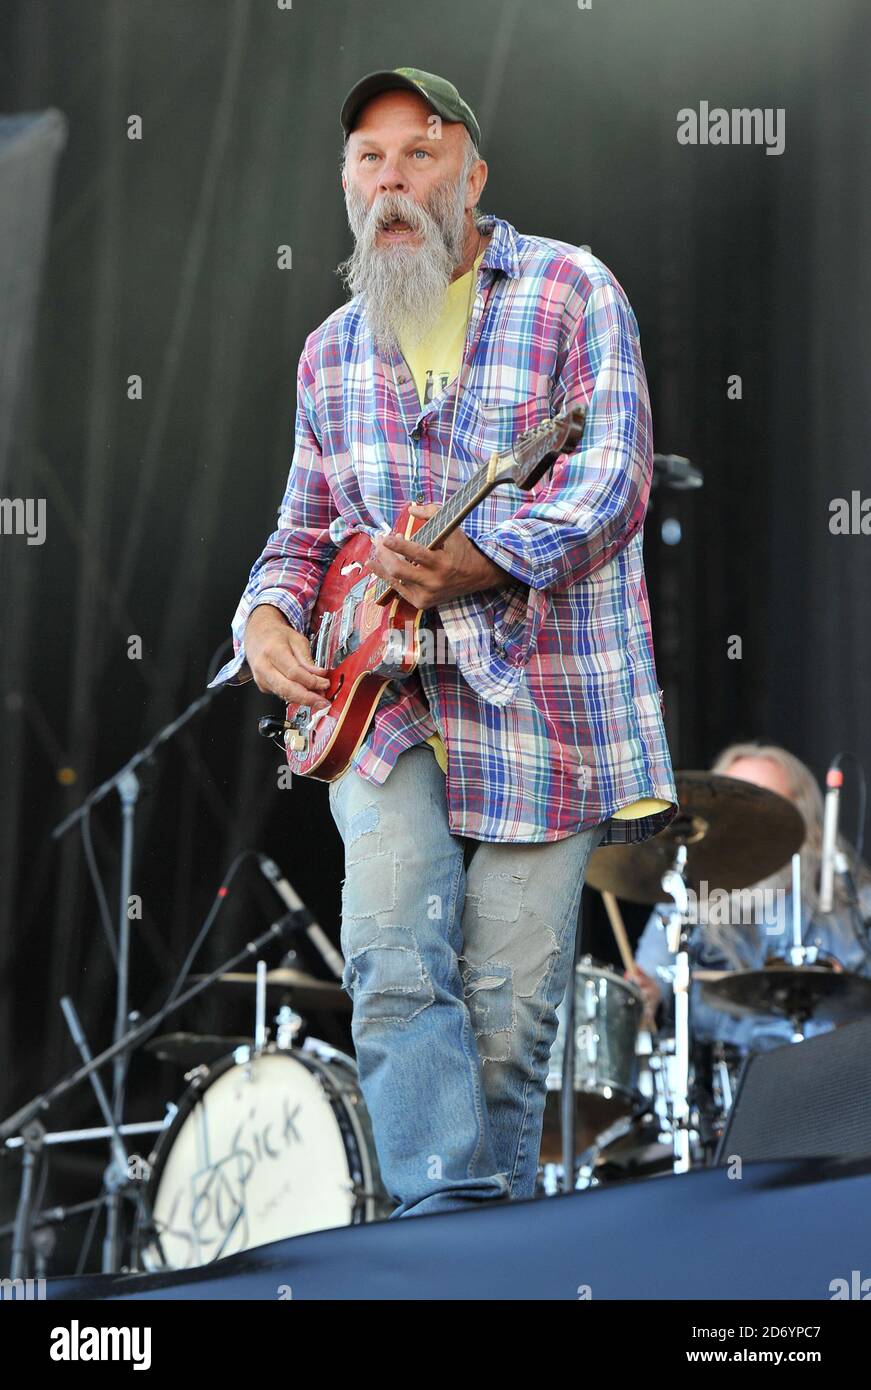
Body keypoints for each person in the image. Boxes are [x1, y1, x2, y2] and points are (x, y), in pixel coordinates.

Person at [211, 67, 676, 1216]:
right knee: (389, 960)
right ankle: (436, 1235)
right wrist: (265, 615)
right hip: (377, 703)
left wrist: (484, 555)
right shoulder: (330, 351)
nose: (392, 182)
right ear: (345, 187)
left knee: (509, 1021)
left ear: (472, 176)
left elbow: (614, 479)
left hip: (545, 699)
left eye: (418, 155)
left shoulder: (570, 290)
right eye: (367, 161)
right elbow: (304, 527)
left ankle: (488, 1260)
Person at [629, 743, 871, 1054]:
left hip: (828, 1085)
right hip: (718, 1092)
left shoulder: (856, 904)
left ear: (803, 815)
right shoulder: (684, 900)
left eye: (765, 806)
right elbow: (644, 986)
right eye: (736, 810)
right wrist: (640, 997)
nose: (749, 825)